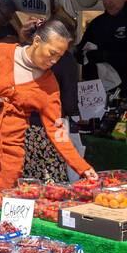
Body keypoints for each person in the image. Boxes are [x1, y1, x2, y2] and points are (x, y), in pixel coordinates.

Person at [0, 18, 96, 216]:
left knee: (0, 214)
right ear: (37, 41)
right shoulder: (0, 52)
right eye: (52, 53)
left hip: (9, 153)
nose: (54, 61)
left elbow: (57, 130)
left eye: (60, 56)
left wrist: (82, 167)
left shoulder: (49, 85)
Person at [20, 15, 83, 182]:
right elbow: (70, 103)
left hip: (21, 129)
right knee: (52, 187)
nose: (54, 59)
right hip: (52, 129)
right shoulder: (66, 60)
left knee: (24, 186)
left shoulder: (22, 51)